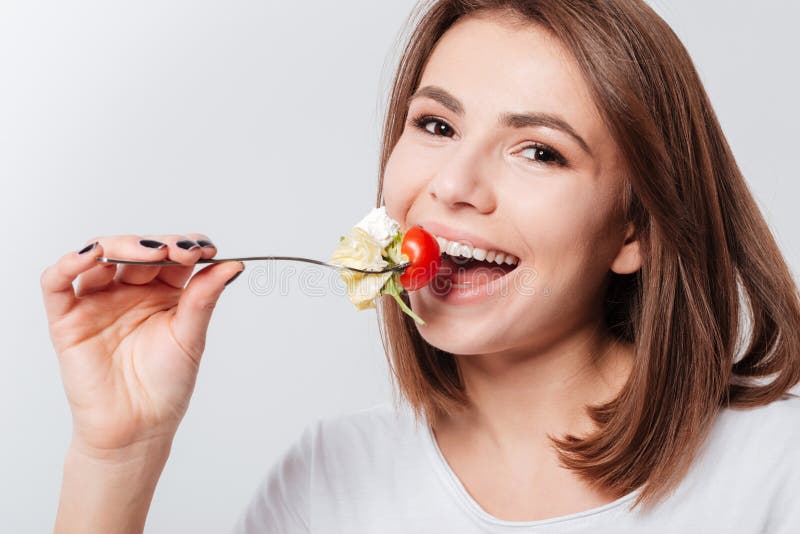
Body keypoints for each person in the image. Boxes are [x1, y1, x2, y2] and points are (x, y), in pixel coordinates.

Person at [42, 1, 800, 532]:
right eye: (435, 125)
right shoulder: (327, 477)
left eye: (539, 150)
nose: (453, 186)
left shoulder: (778, 471)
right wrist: (119, 452)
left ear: (634, 228)